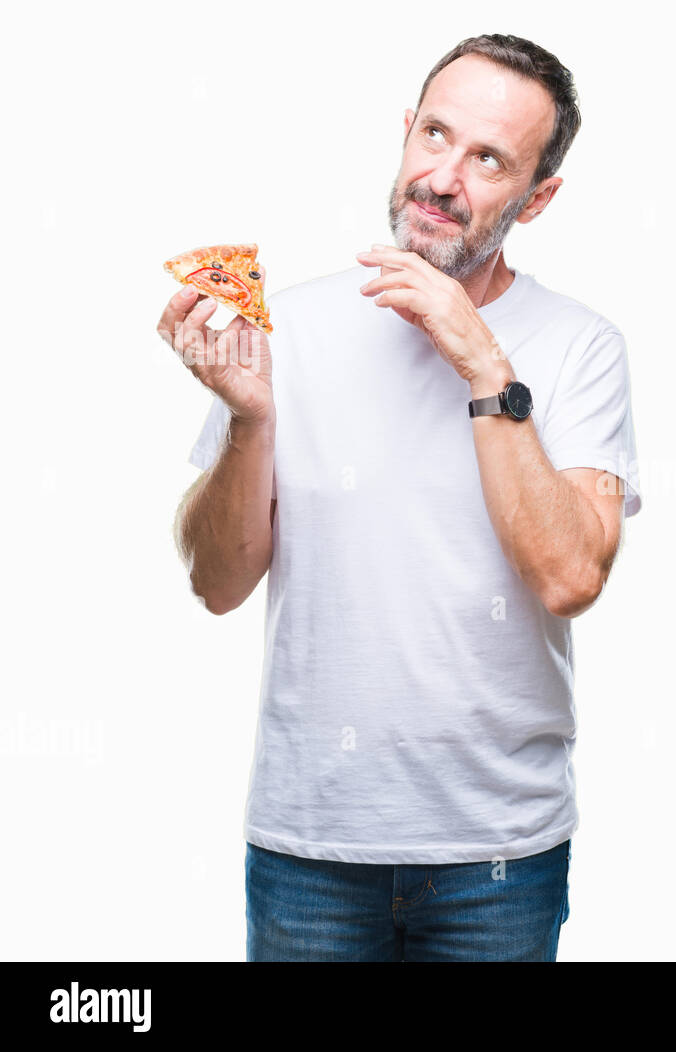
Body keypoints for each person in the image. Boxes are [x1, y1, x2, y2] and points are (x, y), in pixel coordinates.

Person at [155, 33, 642, 962]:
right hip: (309, 851)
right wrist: (251, 424)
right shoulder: (289, 327)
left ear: (538, 197)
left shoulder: (583, 348)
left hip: (499, 857)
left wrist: (480, 356)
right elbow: (215, 585)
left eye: (488, 158)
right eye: (434, 135)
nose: (443, 177)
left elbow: (571, 573)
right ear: (405, 133)